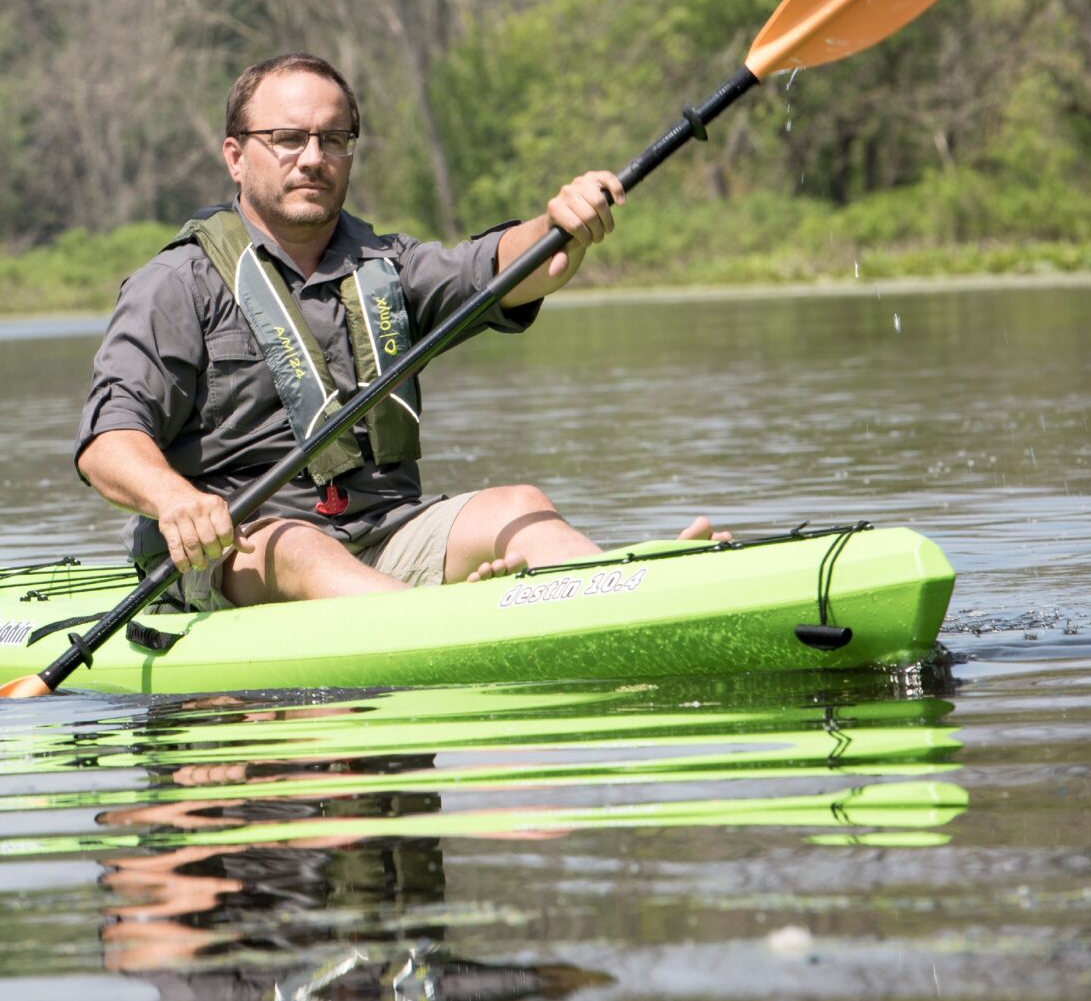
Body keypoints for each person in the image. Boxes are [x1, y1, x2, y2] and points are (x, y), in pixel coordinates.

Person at [76, 52, 717, 610]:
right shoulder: (176, 283)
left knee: (517, 504)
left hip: (386, 534)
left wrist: (562, 225)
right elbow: (107, 442)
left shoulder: (389, 267)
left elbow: (513, 265)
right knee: (297, 546)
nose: (313, 159)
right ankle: (453, 622)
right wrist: (173, 499)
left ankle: (621, 589)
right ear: (236, 157)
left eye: (334, 140)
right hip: (237, 552)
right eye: (288, 139)